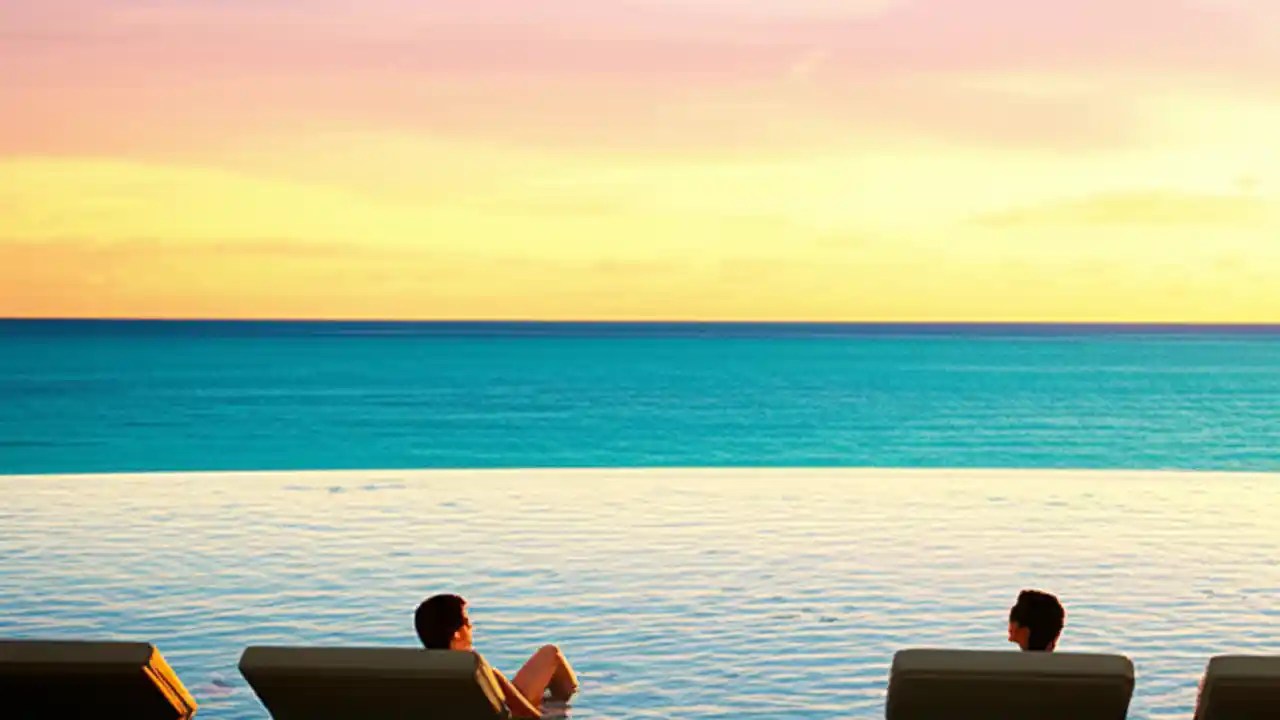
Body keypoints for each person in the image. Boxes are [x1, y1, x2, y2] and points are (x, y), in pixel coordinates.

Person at [415, 594, 578, 718]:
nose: (471, 626)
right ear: (457, 634)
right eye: (466, 622)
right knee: (552, 656)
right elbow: (530, 718)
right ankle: (567, 699)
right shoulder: (480, 674)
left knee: (549, 653)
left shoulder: (417, 674)